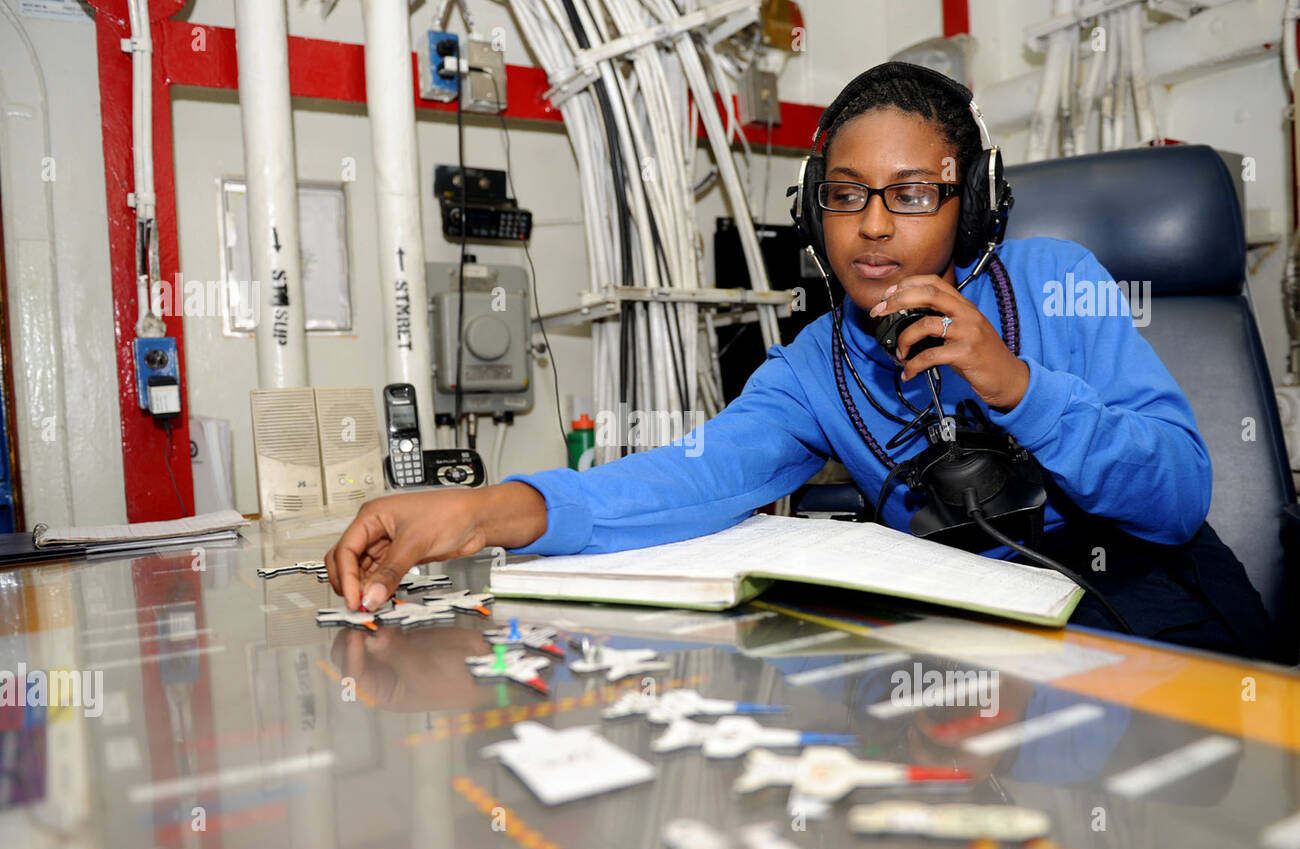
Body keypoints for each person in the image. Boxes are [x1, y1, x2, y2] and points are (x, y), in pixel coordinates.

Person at [325, 62, 1281, 662]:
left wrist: (1017, 387)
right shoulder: (814, 368)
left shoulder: (1058, 283)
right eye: (847, 194)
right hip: (983, 649)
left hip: (1155, 615)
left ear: (975, 207)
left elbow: (1178, 495)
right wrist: (480, 513)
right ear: (811, 213)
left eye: (911, 194)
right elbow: (686, 481)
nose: (872, 225)